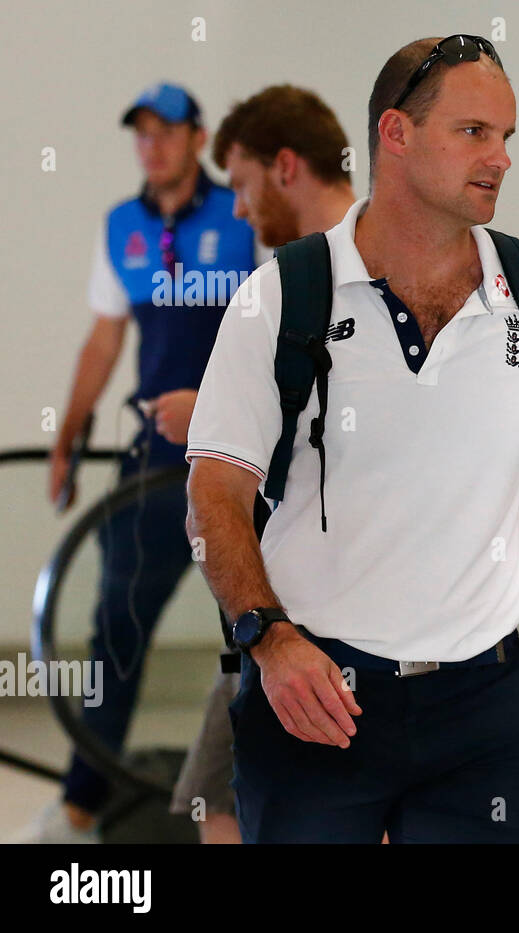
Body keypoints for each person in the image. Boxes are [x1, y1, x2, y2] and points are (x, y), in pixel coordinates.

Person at [185, 35, 519, 843]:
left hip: (489, 708)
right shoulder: (281, 297)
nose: (501, 158)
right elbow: (216, 491)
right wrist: (267, 639)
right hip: (316, 699)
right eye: (474, 132)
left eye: (508, 137)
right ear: (396, 133)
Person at [19, 83, 259, 843]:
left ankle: (258, 807)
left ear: (198, 138)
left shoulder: (244, 215)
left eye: (168, 131)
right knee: (113, 631)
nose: (152, 145)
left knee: (257, 636)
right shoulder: (121, 226)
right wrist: (70, 432)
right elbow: (103, 338)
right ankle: (81, 808)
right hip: (151, 465)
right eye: (141, 133)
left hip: (241, 462)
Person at [167, 84, 356, 845]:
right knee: (215, 797)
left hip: (345, 622)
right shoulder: (282, 292)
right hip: (276, 614)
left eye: (242, 186)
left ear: (285, 167)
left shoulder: (379, 276)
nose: (237, 211)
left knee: (229, 801)